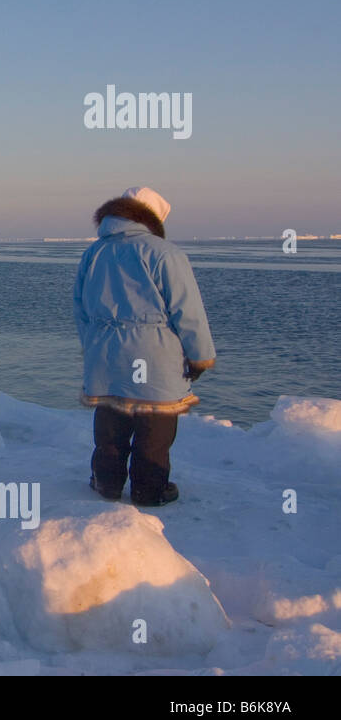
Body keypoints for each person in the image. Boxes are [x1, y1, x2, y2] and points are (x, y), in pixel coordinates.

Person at [73, 187, 216, 506]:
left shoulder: (94, 253)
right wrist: (200, 356)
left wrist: (94, 346)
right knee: (154, 425)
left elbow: (81, 307)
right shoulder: (165, 253)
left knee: (111, 420)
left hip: (106, 355)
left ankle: (106, 482)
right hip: (154, 354)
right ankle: (149, 489)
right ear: (153, 218)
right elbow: (187, 310)